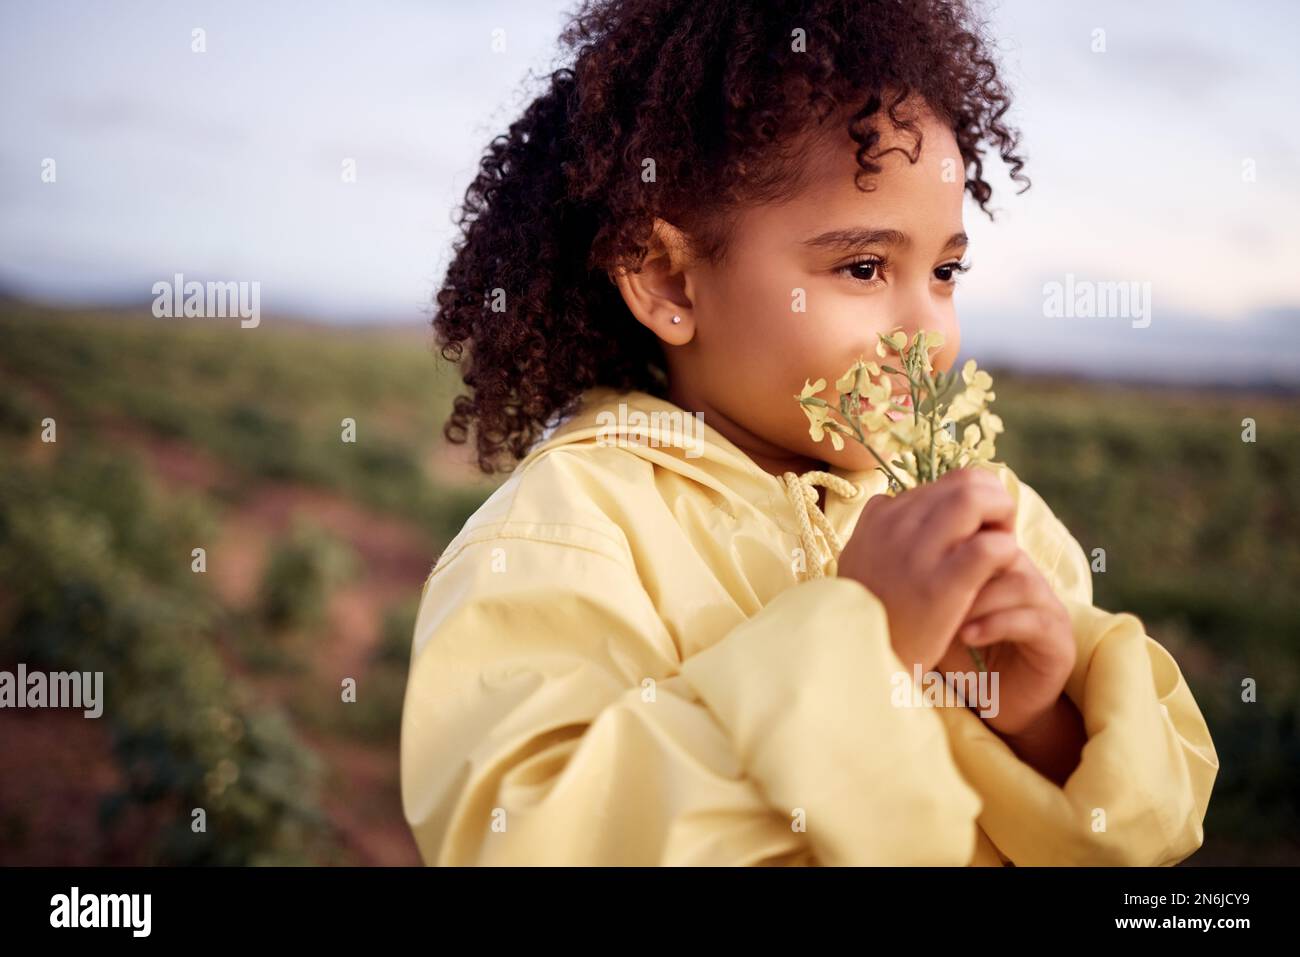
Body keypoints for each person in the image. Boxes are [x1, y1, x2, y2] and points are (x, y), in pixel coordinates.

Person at [400, 0, 1218, 865]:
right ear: (669, 280)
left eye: (944, 272)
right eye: (864, 268)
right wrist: (861, 636)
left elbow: (1151, 828)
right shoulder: (564, 535)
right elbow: (528, 838)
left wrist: (1037, 716)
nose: (926, 332)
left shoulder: (982, 513)